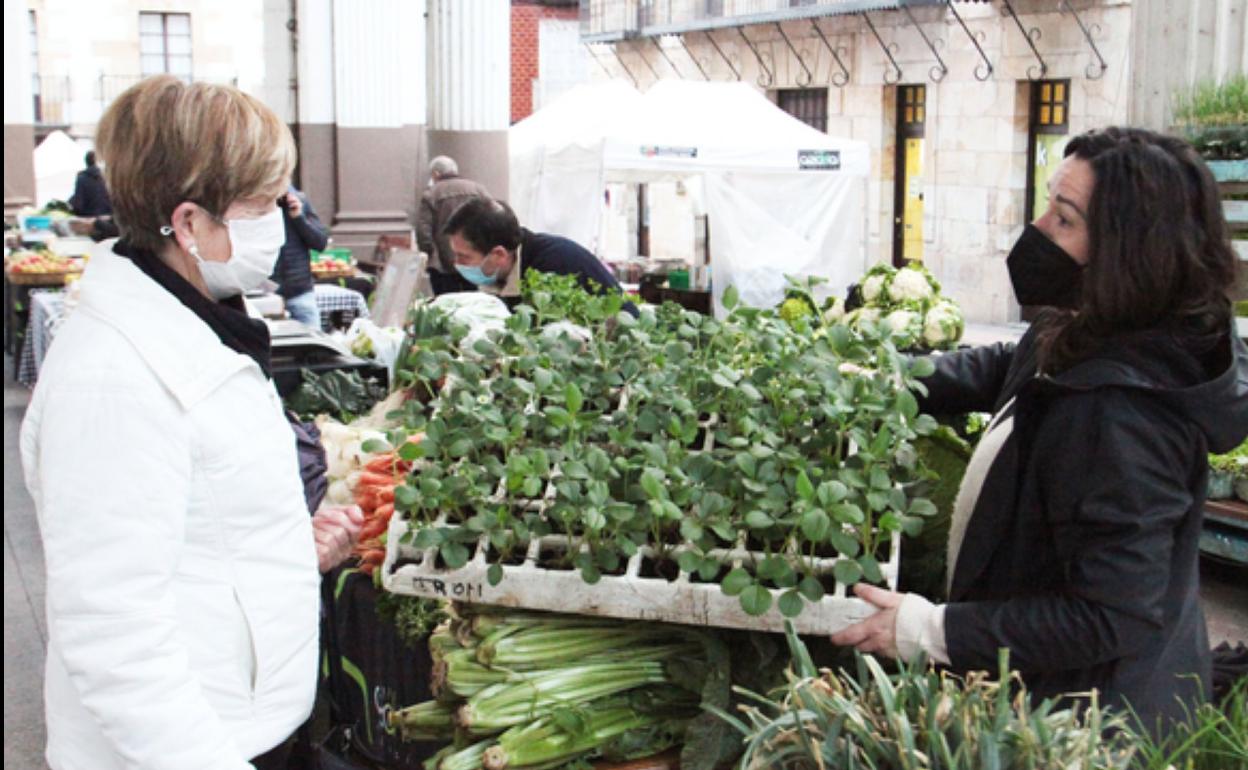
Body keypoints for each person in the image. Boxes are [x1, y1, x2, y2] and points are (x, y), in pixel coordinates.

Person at [830, 127, 1246, 734]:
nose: (1039, 228)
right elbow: (1008, 364)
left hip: (1086, 724)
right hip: (1038, 687)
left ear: (1126, 251)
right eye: (1049, 203)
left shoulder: (1123, 416)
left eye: (1065, 218)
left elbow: (1111, 617)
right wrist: (893, 379)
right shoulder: (1087, 325)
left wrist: (930, 630)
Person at [19, 75, 363, 770]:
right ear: (188, 223)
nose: (280, 224)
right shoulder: (111, 379)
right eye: (262, 206)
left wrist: (292, 551)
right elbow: (112, 631)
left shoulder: (196, 321)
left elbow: (197, 533)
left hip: (251, 720)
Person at [441, 196, 638, 315]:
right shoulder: (503, 273)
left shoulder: (553, 266)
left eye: (464, 257)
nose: (456, 264)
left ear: (499, 254)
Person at [416, 155, 490, 295]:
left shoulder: (431, 194)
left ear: (435, 174)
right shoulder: (478, 189)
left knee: (446, 304)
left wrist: (430, 254)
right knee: (474, 302)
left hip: (442, 265)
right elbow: (493, 218)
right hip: (475, 259)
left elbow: (423, 231)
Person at [270, 185, 330, 328]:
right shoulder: (252, 205)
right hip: (267, 294)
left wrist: (298, 218)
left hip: (299, 291)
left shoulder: (299, 200)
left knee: (312, 344)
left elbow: (320, 242)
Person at [68, 150, 112, 217]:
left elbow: (78, 204)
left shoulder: (81, 179)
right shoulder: (104, 177)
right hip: (106, 217)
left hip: (88, 218)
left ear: (86, 162)